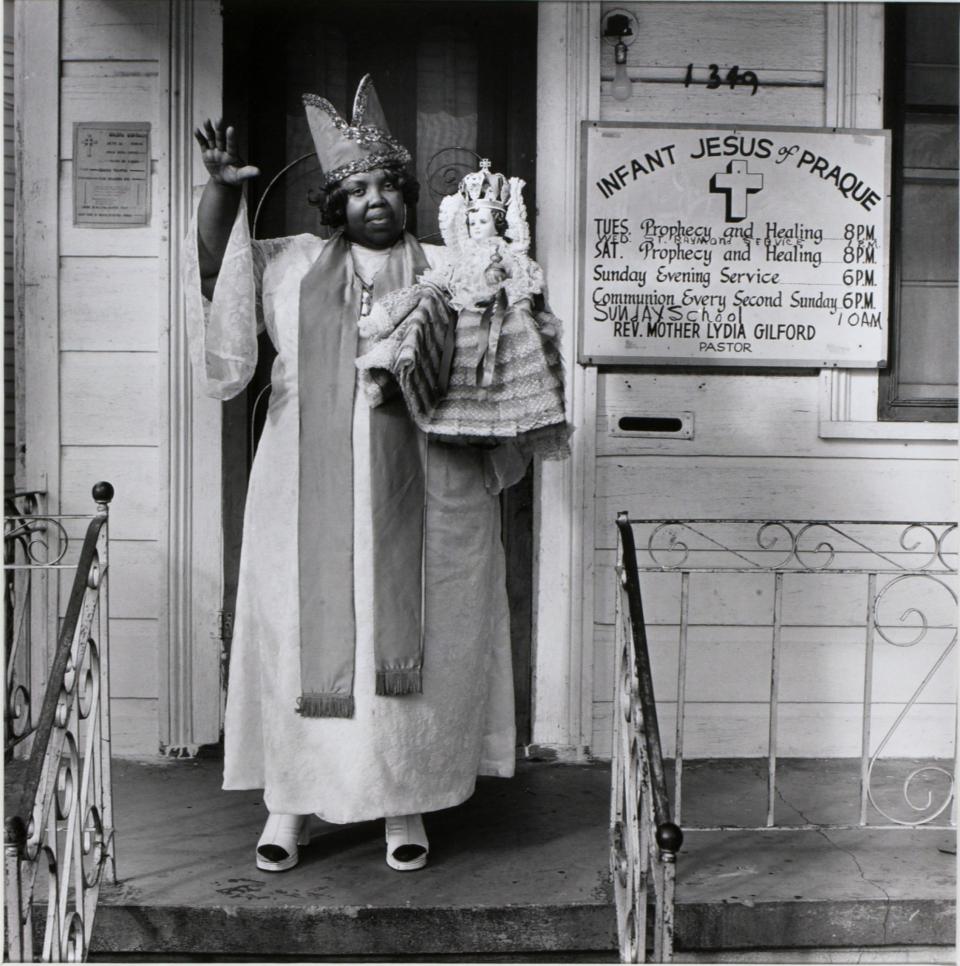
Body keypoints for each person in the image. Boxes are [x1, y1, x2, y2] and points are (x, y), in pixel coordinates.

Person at [183, 76, 519, 874]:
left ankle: (404, 800)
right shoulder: (289, 262)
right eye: (357, 188)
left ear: (406, 197)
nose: (375, 199)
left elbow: (500, 354)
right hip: (305, 487)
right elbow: (212, 265)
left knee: (414, 637)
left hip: (427, 486)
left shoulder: (448, 266)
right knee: (301, 633)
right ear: (333, 203)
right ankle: (289, 806)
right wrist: (220, 194)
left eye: (387, 187)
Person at [356, 160, 569, 460]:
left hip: (503, 319)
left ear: (499, 221)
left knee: (511, 370)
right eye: (472, 222)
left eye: (482, 221)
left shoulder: (506, 254)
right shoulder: (462, 258)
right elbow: (440, 282)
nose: (476, 227)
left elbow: (524, 280)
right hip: (467, 321)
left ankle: (501, 421)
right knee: (456, 360)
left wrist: (515, 300)